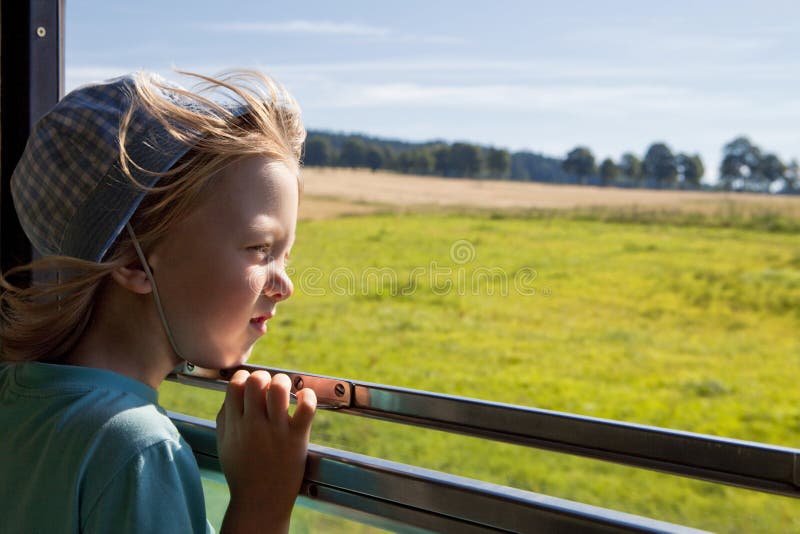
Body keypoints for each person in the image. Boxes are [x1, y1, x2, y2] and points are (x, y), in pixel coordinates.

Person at [0, 69, 316, 533]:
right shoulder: (135, 448)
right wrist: (264, 500)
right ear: (132, 260)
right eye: (260, 249)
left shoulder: (16, 395)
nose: (283, 285)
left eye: (284, 256)